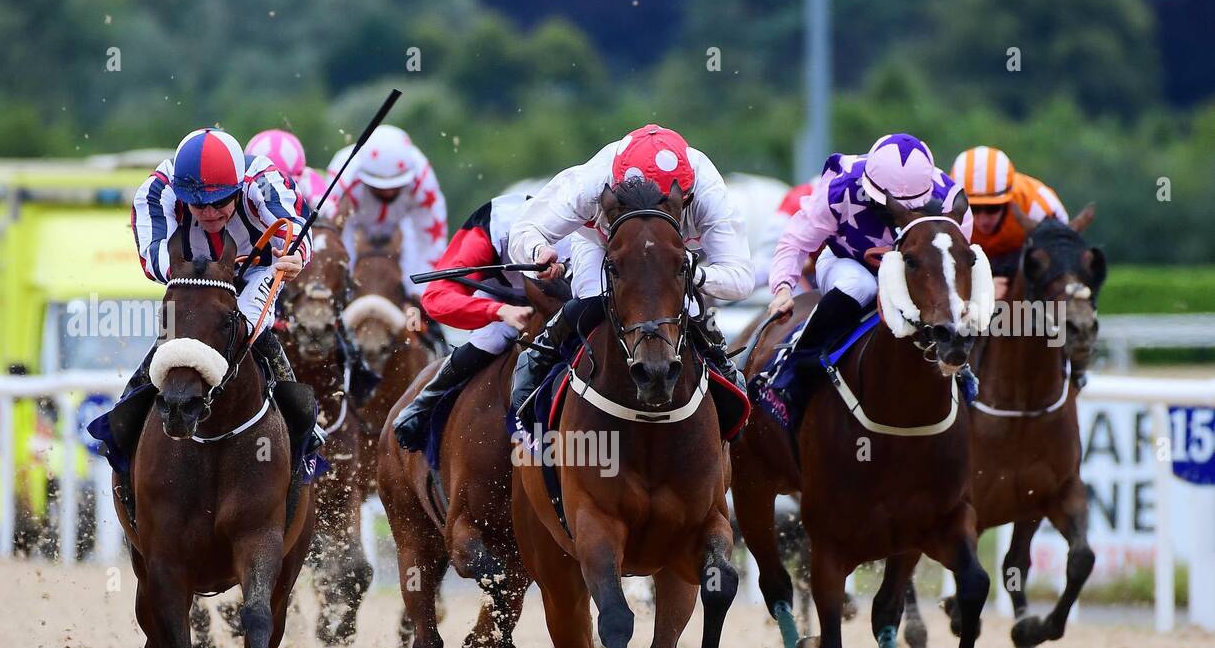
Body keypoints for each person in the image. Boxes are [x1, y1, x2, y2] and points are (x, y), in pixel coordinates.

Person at [507, 124, 752, 420]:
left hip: (671, 260)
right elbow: (525, 229)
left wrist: (694, 275)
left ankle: (720, 361)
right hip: (603, 247)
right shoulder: (591, 182)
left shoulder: (709, 192)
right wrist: (538, 252)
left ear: (686, 196)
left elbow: (741, 279)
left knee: (688, 312)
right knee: (596, 306)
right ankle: (540, 356)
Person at [129, 127, 310, 390]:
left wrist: (295, 255)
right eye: (198, 204)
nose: (210, 213)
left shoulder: (263, 180)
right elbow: (154, 258)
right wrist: (207, 279)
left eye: (221, 201)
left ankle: (301, 423)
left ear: (239, 187)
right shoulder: (156, 191)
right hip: (191, 278)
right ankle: (124, 419)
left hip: (258, 271)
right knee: (177, 332)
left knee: (250, 325)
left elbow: (295, 226)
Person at [767, 133, 974, 357]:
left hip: (916, 275)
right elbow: (796, 240)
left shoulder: (949, 200)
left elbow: (955, 267)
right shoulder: (840, 188)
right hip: (846, 262)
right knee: (860, 285)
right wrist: (783, 289)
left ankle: (964, 377)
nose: (898, 214)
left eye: (909, 208)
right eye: (889, 206)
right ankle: (797, 366)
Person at [392, 194, 572, 450]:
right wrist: (497, 311)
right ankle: (422, 405)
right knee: (493, 338)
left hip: (565, 292)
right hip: (501, 294)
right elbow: (435, 298)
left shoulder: (576, 225)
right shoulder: (486, 233)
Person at [329, 124, 447, 313]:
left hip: (401, 225)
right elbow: (335, 234)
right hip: (356, 224)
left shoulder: (423, 177)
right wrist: (342, 282)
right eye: (379, 186)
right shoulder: (343, 175)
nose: (388, 191)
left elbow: (429, 240)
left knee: (421, 293)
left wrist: (421, 290)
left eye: (396, 185)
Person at [950, 146, 1067, 298]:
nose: (983, 220)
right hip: (969, 262)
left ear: (1009, 198)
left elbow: (1063, 261)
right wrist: (980, 284)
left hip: (1023, 262)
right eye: (974, 208)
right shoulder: (942, 207)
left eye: (993, 208)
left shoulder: (1040, 205)